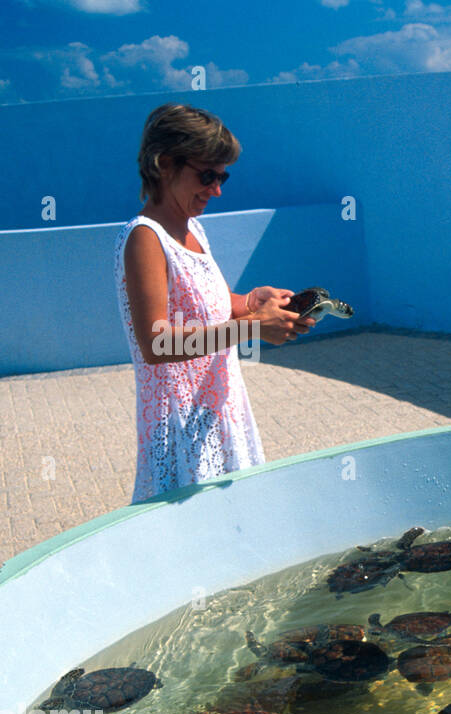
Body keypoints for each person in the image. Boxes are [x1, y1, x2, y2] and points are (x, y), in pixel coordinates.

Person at [117, 103, 312, 504]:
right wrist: (254, 328)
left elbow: (216, 305)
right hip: (180, 431)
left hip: (220, 417)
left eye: (222, 176)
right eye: (207, 175)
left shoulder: (194, 229)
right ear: (165, 164)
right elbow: (156, 344)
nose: (217, 189)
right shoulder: (145, 239)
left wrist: (253, 301)